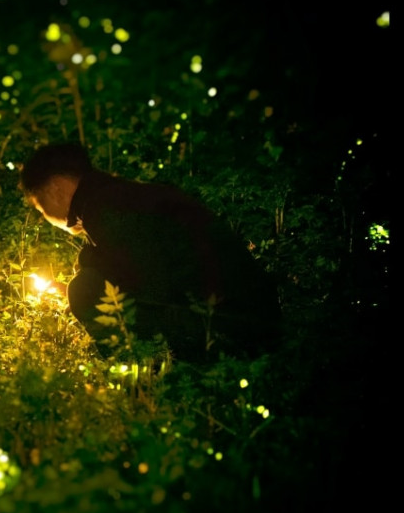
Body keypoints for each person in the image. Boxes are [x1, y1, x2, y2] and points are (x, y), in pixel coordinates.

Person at [19, 143, 280, 360]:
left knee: (84, 289)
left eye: (41, 209)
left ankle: (141, 378)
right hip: (251, 316)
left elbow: (148, 285)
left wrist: (87, 286)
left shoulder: (105, 208)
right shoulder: (123, 195)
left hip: (232, 329)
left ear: (55, 190)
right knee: (87, 275)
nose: (46, 217)